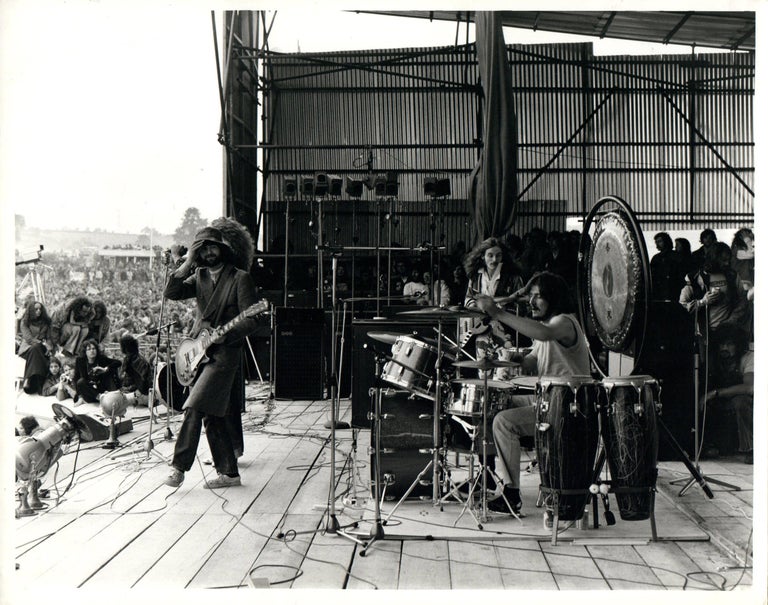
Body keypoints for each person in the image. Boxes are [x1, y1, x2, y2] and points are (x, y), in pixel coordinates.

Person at [475, 271, 591, 514]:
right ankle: (486, 476)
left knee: (504, 422)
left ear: (553, 297)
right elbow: (532, 361)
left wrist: (497, 312)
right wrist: (506, 359)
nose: (531, 302)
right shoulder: (549, 326)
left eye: (537, 296)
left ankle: (511, 493)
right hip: (548, 400)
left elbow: (544, 334)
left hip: (568, 406)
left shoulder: (564, 322)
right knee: (494, 404)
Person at [163, 226, 260, 489]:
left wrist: (225, 335)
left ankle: (178, 467)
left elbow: (252, 320)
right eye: (202, 248)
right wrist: (184, 266)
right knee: (211, 413)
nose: (208, 252)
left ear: (223, 249)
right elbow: (171, 293)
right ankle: (229, 473)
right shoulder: (199, 276)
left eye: (212, 246)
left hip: (225, 353)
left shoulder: (240, 278)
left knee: (194, 406)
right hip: (198, 354)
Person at [700, 325, 753, 464]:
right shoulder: (714, 359)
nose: (724, 348)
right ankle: (708, 444)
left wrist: (716, 393)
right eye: (722, 344)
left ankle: (751, 448)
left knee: (741, 402)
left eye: (729, 344)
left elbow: (750, 387)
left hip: (745, 404)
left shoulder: (749, 358)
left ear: (738, 345)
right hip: (721, 403)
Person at [463, 237, 526, 353]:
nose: (494, 259)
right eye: (490, 255)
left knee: (504, 367)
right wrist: (477, 307)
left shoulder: (513, 277)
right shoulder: (475, 277)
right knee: (482, 367)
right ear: (482, 256)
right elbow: (468, 299)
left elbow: (522, 306)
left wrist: (502, 309)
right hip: (480, 329)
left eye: (498, 255)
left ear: (503, 257)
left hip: (506, 330)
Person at [17, 300, 54, 395]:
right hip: (27, 348)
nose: (38, 311)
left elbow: (49, 337)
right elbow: (29, 339)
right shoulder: (25, 322)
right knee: (35, 348)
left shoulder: (46, 322)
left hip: (40, 348)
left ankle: (28, 379)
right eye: (36, 309)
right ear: (31, 311)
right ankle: (40, 383)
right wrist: (42, 344)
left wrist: (49, 347)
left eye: (40, 309)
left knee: (36, 349)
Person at [73, 339, 121, 404]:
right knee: (80, 382)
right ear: (85, 352)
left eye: (94, 348)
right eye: (89, 349)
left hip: (101, 389)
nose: (92, 351)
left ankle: (113, 398)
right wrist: (80, 396)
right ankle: (100, 397)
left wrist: (105, 369)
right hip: (89, 392)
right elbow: (76, 378)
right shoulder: (80, 361)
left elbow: (118, 362)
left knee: (108, 374)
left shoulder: (101, 358)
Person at [117, 333, 152, 406]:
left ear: (125, 347)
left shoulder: (138, 360)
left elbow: (143, 383)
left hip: (142, 394)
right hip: (132, 391)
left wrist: (131, 392)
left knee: (116, 402)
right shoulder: (128, 358)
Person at [650, 232, 685, 301]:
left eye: (660, 241)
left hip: (673, 291)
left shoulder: (676, 256)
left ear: (666, 241)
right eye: (656, 242)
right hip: (659, 293)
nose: (657, 244)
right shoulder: (656, 258)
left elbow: (681, 275)